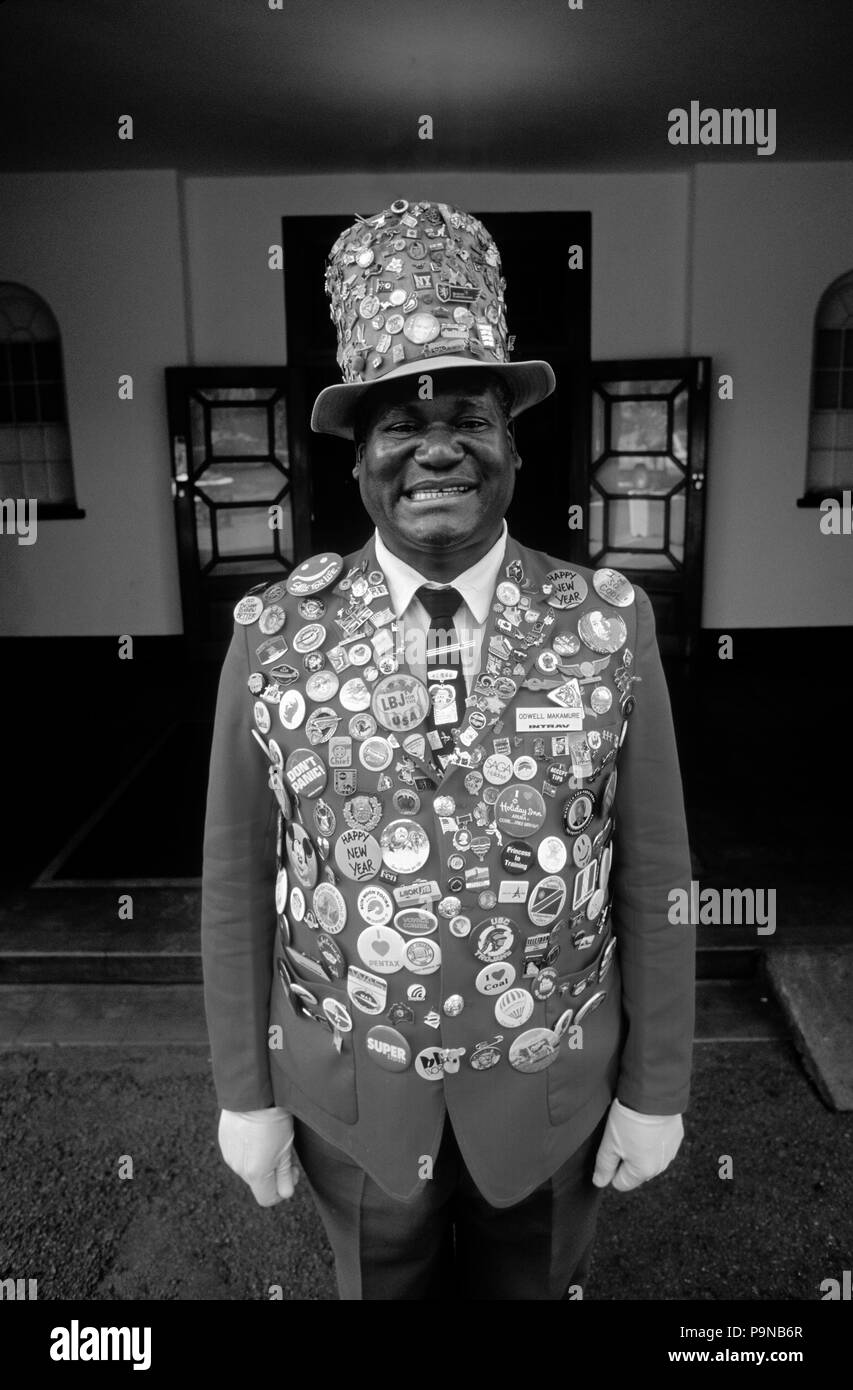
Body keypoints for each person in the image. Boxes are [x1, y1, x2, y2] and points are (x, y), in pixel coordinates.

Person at [201, 199, 695, 1301]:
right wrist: (246, 1092)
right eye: (398, 426)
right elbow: (236, 881)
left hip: (553, 1093)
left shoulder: (606, 621)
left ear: (512, 450)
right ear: (359, 459)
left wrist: (657, 1087)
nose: (436, 447)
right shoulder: (275, 633)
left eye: (469, 416)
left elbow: (656, 875)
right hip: (352, 1104)